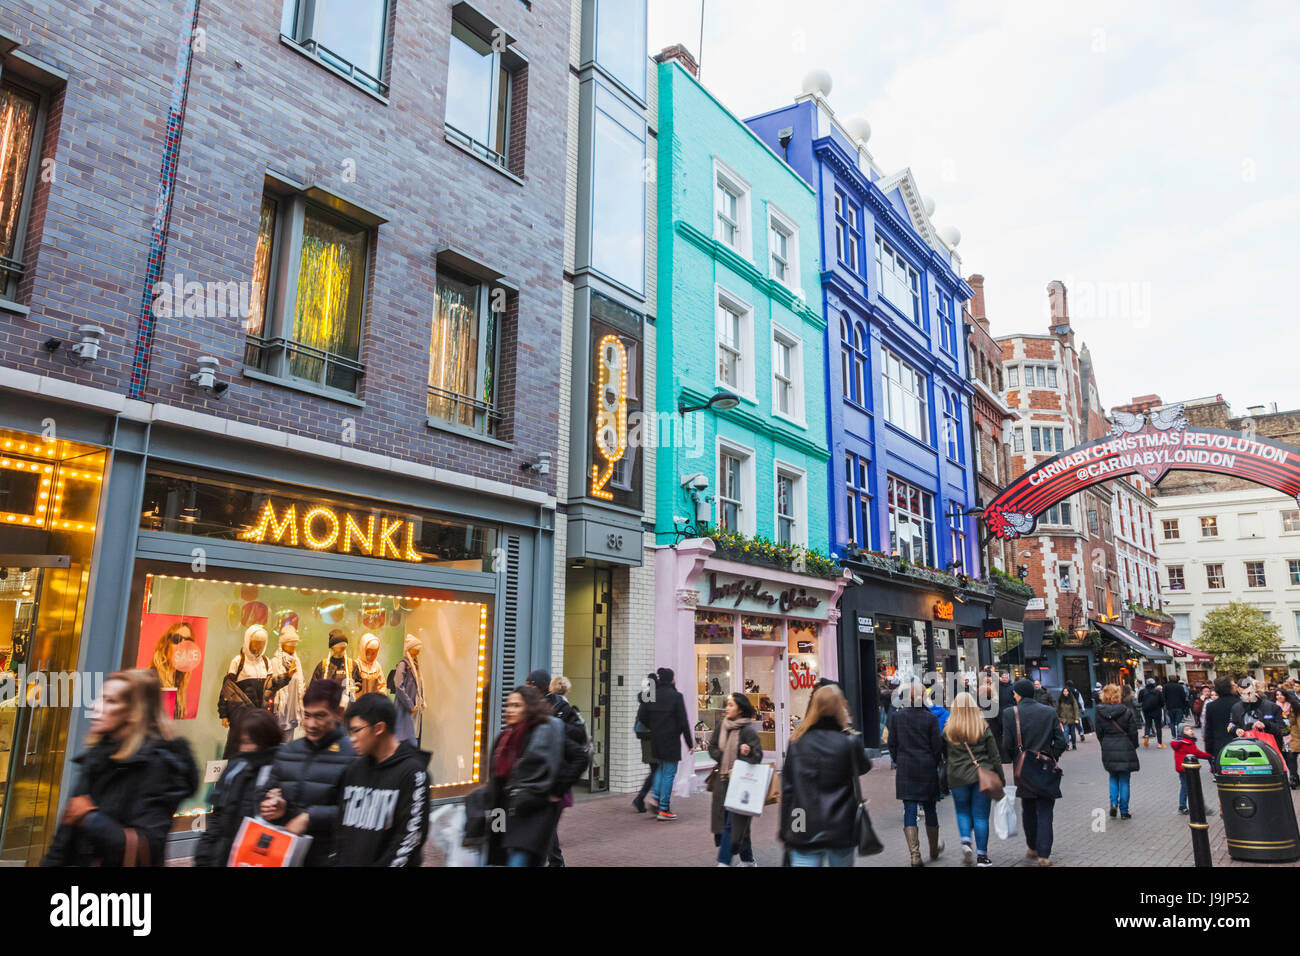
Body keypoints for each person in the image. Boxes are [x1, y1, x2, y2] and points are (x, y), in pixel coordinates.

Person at [42, 670, 198, 867]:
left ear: (133, 712)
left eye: (110, 701)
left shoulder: (159, 766)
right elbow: (64, 837)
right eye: (101, 698)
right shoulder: (97, 756)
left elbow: (148, 847)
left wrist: (90, 819)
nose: (95, 706)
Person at [257, 679, 355, 867]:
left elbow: (354, 810)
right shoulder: (288, 751)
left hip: (330, 856)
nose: (310, 724)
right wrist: (272, 805)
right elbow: (264, 794)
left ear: (338, 713)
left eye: (320, 716)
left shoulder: (353, 755)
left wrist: (310, 817)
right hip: (284, 854)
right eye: (307, 715)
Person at [486, 684, 583, 867]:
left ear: (529, 707)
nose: (510, 710)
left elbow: (580, 757)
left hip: (534, 812)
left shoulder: (546, 732)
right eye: (509, 705)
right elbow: (497, 781)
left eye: (517, 705)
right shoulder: (504, 737)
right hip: (508, 811)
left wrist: (557, 791)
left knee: (518, 859)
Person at [780, 684, 870, 867]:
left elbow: (788, 790)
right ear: (840, 707)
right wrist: (846, 726)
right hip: (841, 825)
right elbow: (864, 766)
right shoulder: (848, 741)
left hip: (802, 825)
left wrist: (785, 830)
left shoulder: (797, 742)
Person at [336, 692, 431, 866]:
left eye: (357, 730)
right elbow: (340, 829)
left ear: (379, 728)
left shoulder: (412, 773)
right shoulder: (354, 770)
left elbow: (409, 838)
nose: (352, 738)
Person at [195, 708, 281, 866]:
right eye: (242, 742)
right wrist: (203, 855)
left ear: (266, 740)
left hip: (256, 858)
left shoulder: (279, 772)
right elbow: (217, 817)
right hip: (224, 854)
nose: (245, 749)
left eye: (250, 742)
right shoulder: (235, 767)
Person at [1002, 677, 1067, 866]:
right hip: (1045, 767)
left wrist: (1015, 757)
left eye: (1014, 692)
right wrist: (1050, 755)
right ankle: (1045, 855)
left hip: (1023, 768)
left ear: (1019, 694)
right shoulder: (1048, 712)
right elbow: (1061, 741)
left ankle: (1032, 847)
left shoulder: (1009, 713)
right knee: (1045, 811)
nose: (1013, 695)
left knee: (1028, 809)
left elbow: (1006, 743)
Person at [533, 671, 589, 866]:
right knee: (542, 826)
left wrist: (555, 725)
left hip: (552, 776)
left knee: (544, 826)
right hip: (540, 777)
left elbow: (579, 743)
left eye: (531, 684)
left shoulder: (562, 708)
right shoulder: (535, 706)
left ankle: (556, 861)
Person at [943, 690, 1005, 867]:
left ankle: (965, 841)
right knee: (980, 817)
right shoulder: (982, 727)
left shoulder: (948, 729)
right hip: (981, 775)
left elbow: (943, 754)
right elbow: (994, 756)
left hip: (957, 776)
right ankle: (982, 856)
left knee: (962, 811)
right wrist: (1000, 778)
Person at [889, 680, 944, 867]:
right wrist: (934, 761)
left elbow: (892, 744)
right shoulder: (930, 718)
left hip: (906, 766)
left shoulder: (898, 717)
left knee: (910, 808)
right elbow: (937, 746)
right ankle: (934, 848)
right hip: (927, 766)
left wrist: (899, 759)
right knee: (930, 808)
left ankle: (915, 855)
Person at [219, 624, 293, 758]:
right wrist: (224, 714)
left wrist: (287, 676)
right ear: (248, 641)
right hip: (240, 714)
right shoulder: (238, 661)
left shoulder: (265, 662)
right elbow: (227, 689)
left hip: (260, 713)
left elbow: (271, 686)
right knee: (235, 747)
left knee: (258, 747)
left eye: (261, 643)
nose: (258, 646)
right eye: (256, 642)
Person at [708, 692, 763, 866]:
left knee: (732, 825)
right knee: (733, 826)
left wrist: (746, 753)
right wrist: (723, 755)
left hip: (741, 784)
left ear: (740, 709)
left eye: (731, 705)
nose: (727, 708)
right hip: (722, 782)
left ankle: (723, 862)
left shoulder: (747, 731)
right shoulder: (721, 726)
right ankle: (748, 860)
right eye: (727, 704)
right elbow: (712, 747)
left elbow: (758, 756)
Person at [635, 667, 693, 821]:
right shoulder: (676, 697)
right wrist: (689, 742)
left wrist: (653, 726)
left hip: (655, 738)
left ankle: (655, 797)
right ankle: (664, 808)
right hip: (671, 739)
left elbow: (642, 715)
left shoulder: (652, 695)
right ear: (671, 679)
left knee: (660, 768)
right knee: (669, 772)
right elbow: (683, 721)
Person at [1094, 683, 1140, 819]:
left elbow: (1099, 732)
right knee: (1125, 780)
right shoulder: (1126, 711)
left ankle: (1113, 803)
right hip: (1125, 745)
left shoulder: (1099, 712)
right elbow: (1133, 732)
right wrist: (1133, 745)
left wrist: (1104, 743)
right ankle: (1124, 811)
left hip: (1108, 745)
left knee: (1113, 777)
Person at [149, 620, 196, 720]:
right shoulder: (152, 679)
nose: (183, 646)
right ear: (166, 645)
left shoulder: (178, 682)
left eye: (188, 641)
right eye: (177, 639)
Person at [1229, 678, 1286, 756]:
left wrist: (1266, 725)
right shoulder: (1236, 708)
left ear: (1254, 689)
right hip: (1247, 752)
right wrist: (1235, 730)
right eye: (1243, 694)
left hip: (1271, 752)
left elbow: (1285, 729)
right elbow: (1230, 725)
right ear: (1239, 691)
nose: (1247, 697)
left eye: (1249, 693)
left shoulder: (1272, 707)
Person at [268, 623, 304, 738]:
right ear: (283, 644)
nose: (293, 647)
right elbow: (273, 685)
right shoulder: (274, 662)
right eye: (290, 644)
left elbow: (301, 685)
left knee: (289, 738)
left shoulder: (297, 662)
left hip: (292, 709)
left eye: (295, 644)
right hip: (279, 710)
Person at [1170, 727, 1213, 815]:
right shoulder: (1187, 743)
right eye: (1187, 730)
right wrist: (1210, 756)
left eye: (1190, 729)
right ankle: (1200, 807)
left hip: (1182, 768)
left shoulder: (1183, 741)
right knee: (1192, 787)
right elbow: (1196, 753)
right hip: (1187, 768)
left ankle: (1183, 806)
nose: (1191, 731)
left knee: (1185, 786)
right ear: (1182, 732)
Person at [391, 634, 426, 745]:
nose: (418, 652)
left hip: (415, 709)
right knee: (403, 737)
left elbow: (419, 686)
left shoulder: (415, 665)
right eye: (416, 649)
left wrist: (421, 702)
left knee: (414, 736)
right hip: (405, 708)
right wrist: (410, 705)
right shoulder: (403, 665)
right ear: (410, 649)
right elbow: (398, 686)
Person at [632, 672, 659, 813]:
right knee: (656, 769)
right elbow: (644, 717)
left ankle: (642, 799)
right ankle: (642, 798)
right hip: (649, 735)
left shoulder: (646, 696)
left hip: (645, 735)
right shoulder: (650, 698)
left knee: (655, 769)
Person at [311, 630, 361, 703]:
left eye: (343, 646)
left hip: (346, 706)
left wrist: (353, 688)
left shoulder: (352, 664)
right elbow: (314, 686)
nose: (341, 648)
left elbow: (358, 683)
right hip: (327, 705)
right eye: (339, 646)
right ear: (332, 647)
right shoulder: (323, 665)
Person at [1201, 676, 1238, 773]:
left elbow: (1209, 729)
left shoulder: (1211, 706)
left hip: (1220, 746)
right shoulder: (1239, 703)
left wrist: (1209, 749)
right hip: (1239, 743)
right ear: (1230, 688)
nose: (1236, 686)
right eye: (1233, 684)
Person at [1279, 687, 1300, 788]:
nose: (1279, 697)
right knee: (1286, 758)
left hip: (1294, 736)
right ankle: (1294, 775)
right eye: (1277, 695)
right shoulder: (1274, 707)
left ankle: (1293, 778)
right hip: (1281, 738)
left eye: (1281, 695)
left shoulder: (1294, 706)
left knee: (1292, 756)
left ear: (1285, 695)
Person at [1138, 678, 1166, 748]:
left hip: (1146, 710)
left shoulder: (1142, 691)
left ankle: (1147, 735)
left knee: (1148, 724)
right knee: (1158, 727)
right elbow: (1162, 702)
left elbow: (1139, 701)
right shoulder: (1158, 692)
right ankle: (1159, 743)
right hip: (1157, 711)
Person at [1057, 686, 1080, 750]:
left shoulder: (1072, 699)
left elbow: (1076, 709)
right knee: (1066, 731)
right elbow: (1058, 709)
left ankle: (1074, 744)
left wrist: (1076, 718)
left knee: (1072, 732)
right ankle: (1066, 744)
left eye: (1066, 691)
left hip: (1072, 718)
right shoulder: (1060, 699)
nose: (1065, 692)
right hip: (1064, 719)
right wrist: (1058, 717)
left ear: (1069, 692)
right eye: (1064, 691)